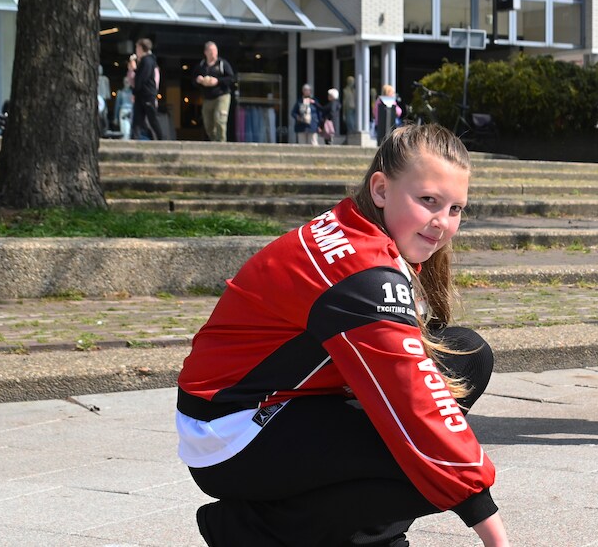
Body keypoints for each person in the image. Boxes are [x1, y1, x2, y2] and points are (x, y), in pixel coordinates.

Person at [177, 123, 511, 547]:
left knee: (467, 356)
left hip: (275, 403)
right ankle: (250, 530)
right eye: (428, 200)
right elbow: (417, 408)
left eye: (456, 209)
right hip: (229, 432)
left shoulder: (360, 229)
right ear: (381, 189)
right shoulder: (363, 273)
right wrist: (490, 528)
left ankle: (368, 534)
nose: (442, 223)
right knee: (420, 462)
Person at [192, 41, 235, 143]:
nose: (213, 53)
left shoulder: (222, 64)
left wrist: (218, 81)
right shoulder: (201, 66)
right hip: (207, 97)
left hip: (222, 95)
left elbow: (232, 78)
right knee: (208, 123)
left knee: (220, 119)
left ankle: (221, 143)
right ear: (205, 52)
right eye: (211, 51)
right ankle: (214, 141)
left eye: (215, 51)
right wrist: (198, 80)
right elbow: (193, 80)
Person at [131, 38, 161, 140]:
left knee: (152, 120)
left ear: (141, 48)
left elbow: (142, 78)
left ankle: (162, 139)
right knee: (137, 120)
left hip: (147, 94)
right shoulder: (145, 61)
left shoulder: (147, 60)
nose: (136, 50)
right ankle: (134, 140)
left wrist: (134, 92)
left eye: (137, 47)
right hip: (141, 94)